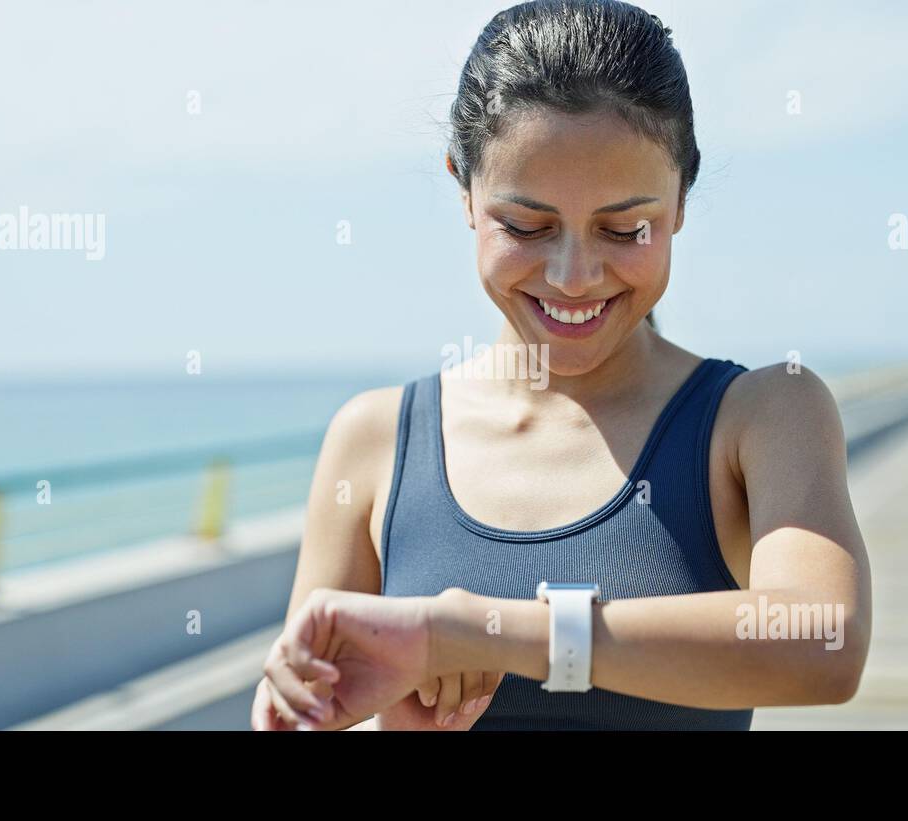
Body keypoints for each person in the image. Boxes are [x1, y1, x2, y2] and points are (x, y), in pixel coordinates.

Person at [252, 0, 871, 731]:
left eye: (624, 226)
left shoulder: (760, 416)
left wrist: (481, 631)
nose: (575, 276)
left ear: (680, 201)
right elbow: (302, 710)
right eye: (525, 225)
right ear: (465, 189)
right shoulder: (376, 439)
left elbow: (822, 642)